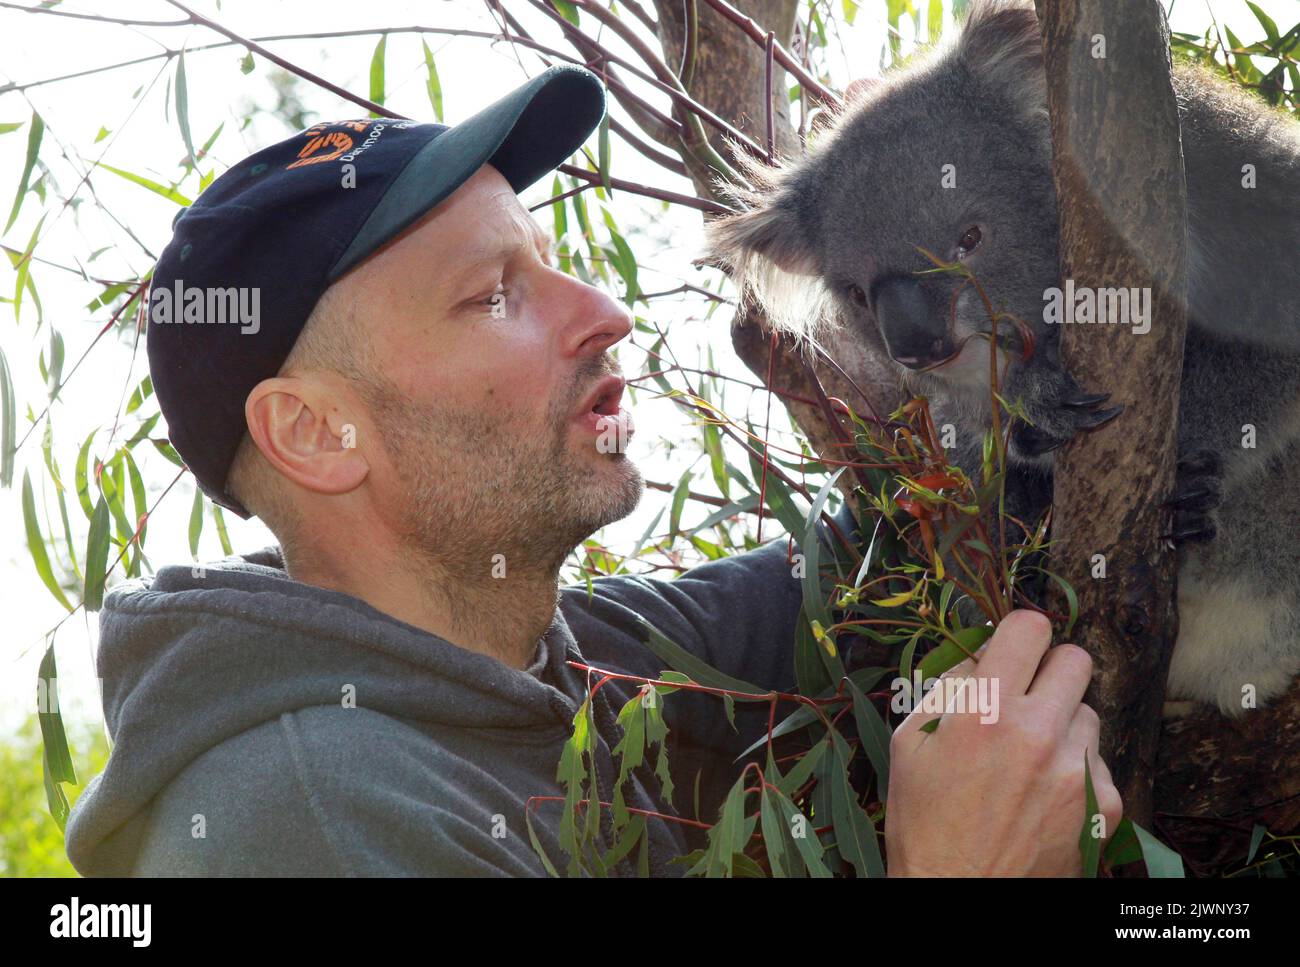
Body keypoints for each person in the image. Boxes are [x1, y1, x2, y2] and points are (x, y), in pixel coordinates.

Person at [64, 65, 1121, 877]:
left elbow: (904, 546)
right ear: (315, 432)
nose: (603, 313)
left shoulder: (595, 664)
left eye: (553, 261)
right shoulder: (313, 823)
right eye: (493, 295)